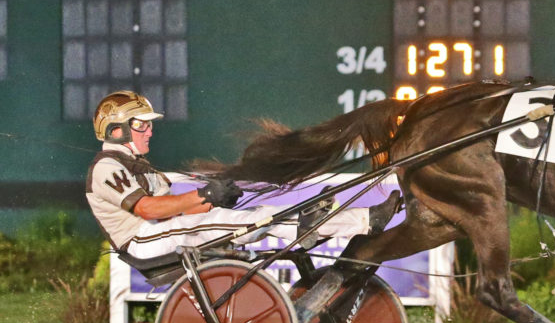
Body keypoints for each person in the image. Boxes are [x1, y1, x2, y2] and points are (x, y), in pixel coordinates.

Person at [85, 90, 401, 260]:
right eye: (142, 124)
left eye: (150, 124)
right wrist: (204, 196)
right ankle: (310, 230)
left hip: (164, 229)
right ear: (116, 130)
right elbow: (147, 210)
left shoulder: (142, 167)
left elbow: (178, 208)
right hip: (141, 239)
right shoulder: (107, 167)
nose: (150, 130)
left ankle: (360, 221)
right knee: (253, 221)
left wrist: (218, 198)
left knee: (259, 214)